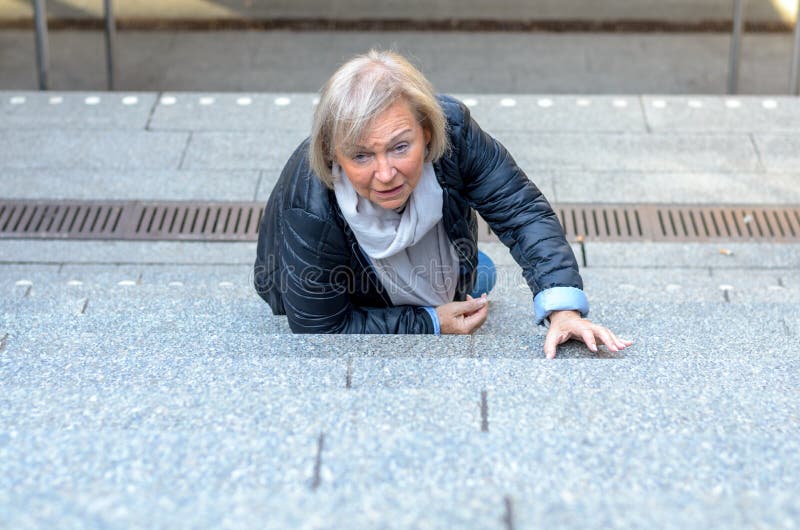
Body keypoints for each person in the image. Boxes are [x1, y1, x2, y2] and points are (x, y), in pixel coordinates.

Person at [254, 49, 632, 358]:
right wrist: (430, 323)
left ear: (428, 131)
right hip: (343, 284)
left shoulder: (454, 131)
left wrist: (562, 307)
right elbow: (319, 327)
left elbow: (520, 210)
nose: (385, 174)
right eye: (361, 156)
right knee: (468, 282)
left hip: (439, 264)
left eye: (401, 147)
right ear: (332, 152)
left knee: (478, 277)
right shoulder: (309, 206)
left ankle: (462, 277)